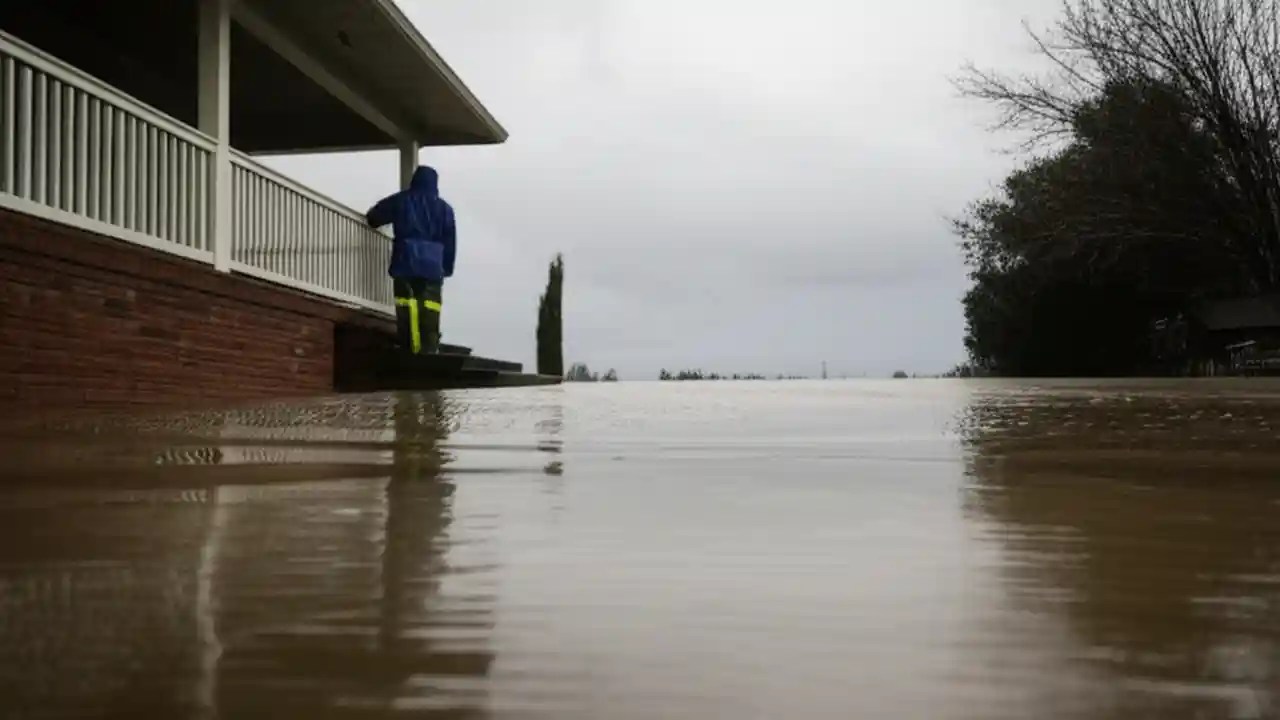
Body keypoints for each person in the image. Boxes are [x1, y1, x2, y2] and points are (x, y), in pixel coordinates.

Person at [365, 165, 456, 354]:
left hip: (405, 261)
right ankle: (429, 349)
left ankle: (410, 347)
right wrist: (446, 268)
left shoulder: (402, 200)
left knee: (407, 306)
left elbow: (373, 217)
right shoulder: (445, 209)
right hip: (433, 266)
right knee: (430, 309)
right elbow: (450, 242)